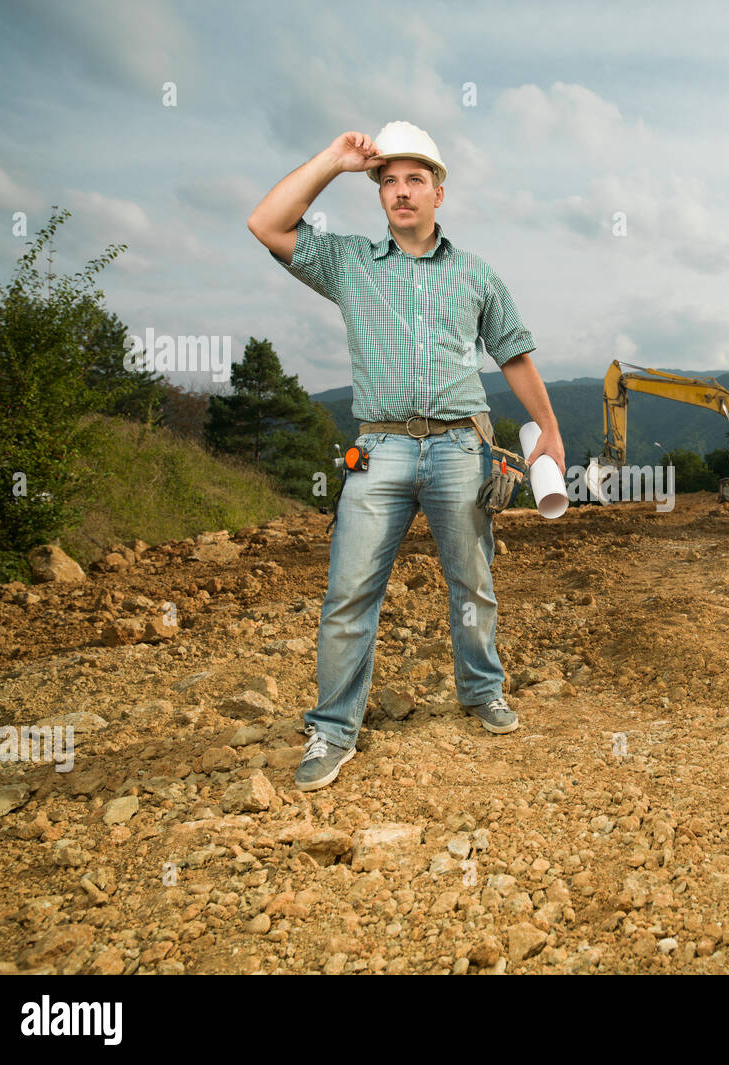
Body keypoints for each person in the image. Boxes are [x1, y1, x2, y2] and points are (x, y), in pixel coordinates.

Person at [247, 124, 565, 792]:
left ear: (439, 192)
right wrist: (334, 160)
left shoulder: (475, 274)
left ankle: (482, 690)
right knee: (349, 594)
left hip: (460, 447)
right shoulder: (348, 263)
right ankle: (333, 730)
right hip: (380, 449)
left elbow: (512, 352)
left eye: (413, 178)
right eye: (387, 180)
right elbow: (266, 223)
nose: (400, 190)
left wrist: (548, 427)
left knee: (472, 584)